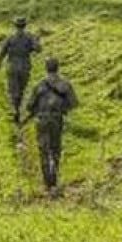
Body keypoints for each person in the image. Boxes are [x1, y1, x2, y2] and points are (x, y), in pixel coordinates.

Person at [26, 57, 78, 196]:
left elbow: (29, 105)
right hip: (56, 119)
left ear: (46, 68)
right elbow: (73, 103)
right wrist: (62, 108)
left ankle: (46, 182)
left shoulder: (39, 85)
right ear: (58, 67)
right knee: (55, 149)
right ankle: (54, 179)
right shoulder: (65, 84)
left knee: (43, 150)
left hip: (42, 120)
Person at [0, 17, 42, 124]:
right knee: (21, 89)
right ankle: (18, 107)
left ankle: (15, 109)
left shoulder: (10, 38)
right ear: (25, 25)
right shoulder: (29, 37)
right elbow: (38, 49)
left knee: (13, 89)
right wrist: (36, 41)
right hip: (25, 66)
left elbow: (1, 52)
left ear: (15, 25)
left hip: (12, 66)